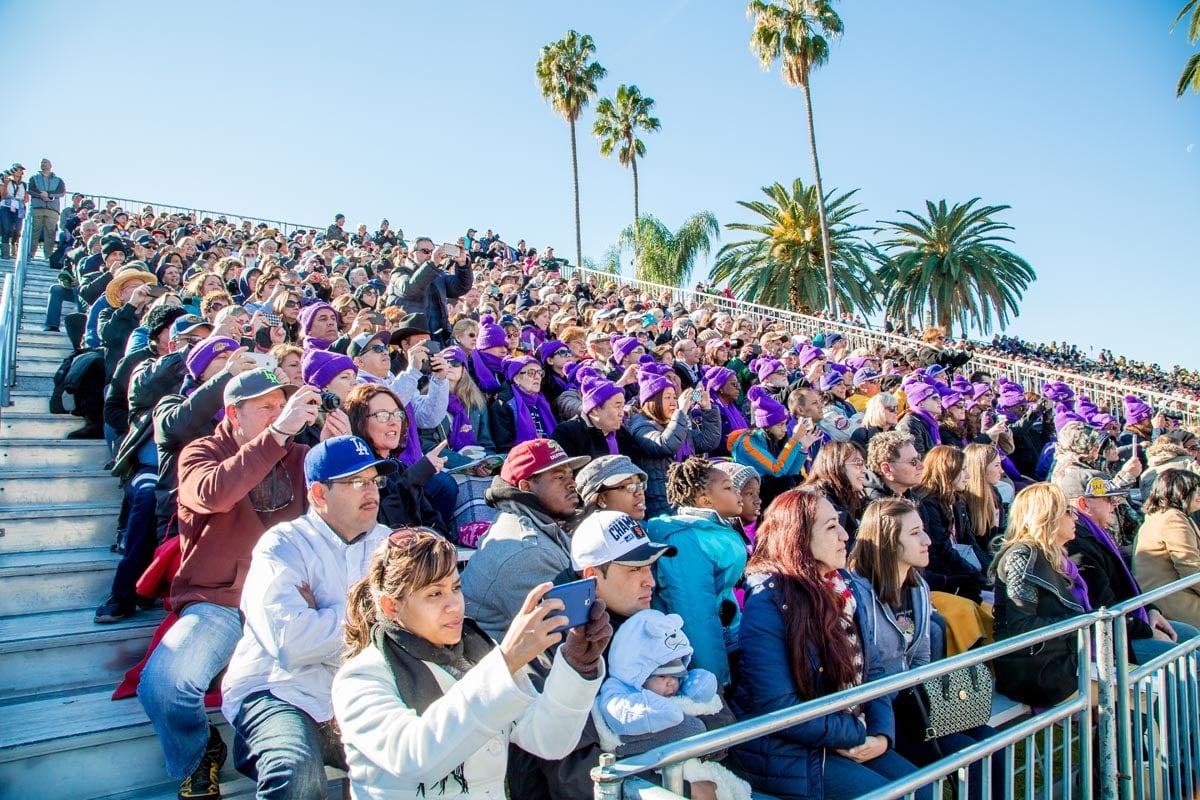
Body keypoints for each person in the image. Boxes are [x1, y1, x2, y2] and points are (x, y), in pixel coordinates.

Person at [137, 371, 315, 800]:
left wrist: (341, 451)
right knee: (165, 681)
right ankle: (198, 751)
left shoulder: (301, 453)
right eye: (267, 407)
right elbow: (215, 495)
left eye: (283, 405)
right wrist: (277, 434)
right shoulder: (201, 451)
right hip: (221, 601)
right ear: (234, 414)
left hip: (286, 602)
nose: (281, 414)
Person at [332, 529, 611, 799]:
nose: (454, 604)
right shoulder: (359, 678)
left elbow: (548, 741)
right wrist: (507, 659)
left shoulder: (479, 653)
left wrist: (577, 664)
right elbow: (416, 757)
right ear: (392, 607)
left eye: (456, 587)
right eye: (434, 594)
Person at [220, 436, 397, 799]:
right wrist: (374, 615)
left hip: (361, 690)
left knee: (416, 758)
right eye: (356, 482)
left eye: (375, 481)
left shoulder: (389, 544)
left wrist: (324, 615)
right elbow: (292, 644)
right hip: (279, 691)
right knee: (297, 774)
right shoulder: (283, 545)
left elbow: (414, 626)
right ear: (319, 494)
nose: (372, 492)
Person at [729, 488, 926, 800]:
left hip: (843, 732)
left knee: (923, 787)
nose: (845, 535)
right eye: (831, 526)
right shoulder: (768, 601)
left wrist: (881, 735)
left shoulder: (844, 587)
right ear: (799, 536)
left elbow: (873, 670)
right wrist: (855, 733)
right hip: (785, 751)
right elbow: (779, 708)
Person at [849, 498, 1000, 793]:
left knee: (994, 743)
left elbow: (921, 658)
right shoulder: (858, 595)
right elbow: (862, 669)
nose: (927, 540)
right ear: (890, 542)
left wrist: (924, 702)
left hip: (915, 704)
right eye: (915, 533)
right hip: (881, 712)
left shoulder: (918, 587)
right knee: (969, 756)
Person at [596, 609, 751, 800]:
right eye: (661, 676)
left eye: (676, 675)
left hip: (701, 773)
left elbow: (720, 721)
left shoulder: (683, 691)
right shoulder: (621, 695)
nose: (671, 683)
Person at [1058, 468, 1198, 664]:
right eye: (1108, 500)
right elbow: (1103, 608)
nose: (1115, 505)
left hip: (1130, 622)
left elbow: (1125, 584)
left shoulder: (1096, 534)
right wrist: (1148, 630)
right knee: (1193, 661)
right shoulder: (1076, 544)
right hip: (1112, 640)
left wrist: (1151, 610)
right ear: (1084, 504)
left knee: (1191, 635)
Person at [462, 439, 590, 639]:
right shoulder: (529, 551)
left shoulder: (532, 524)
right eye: (559, 477)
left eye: (570, 475)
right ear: (526, 486)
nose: (572, 484)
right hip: (507, 666)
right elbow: (569, 635)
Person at [644, 458, 750, 687]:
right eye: (728, 488)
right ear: (705, 500)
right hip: (712, 653)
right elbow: (695, 614)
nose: (737, 492)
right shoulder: (685, 539)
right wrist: (715, 680)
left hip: (729, 636)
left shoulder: (713, 528)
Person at [990, 483, 1090, 707]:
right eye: (1068, 511)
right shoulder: (1023, 556)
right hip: (1038, 673)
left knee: (1136, 689)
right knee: (1134, 693)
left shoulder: (1050, 557)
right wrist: (1078, 623)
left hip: (1061, 662)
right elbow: (1022, 627)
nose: (1075, 518)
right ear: (1048, 516)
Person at [343, 384, 450, 534]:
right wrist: (414, 477)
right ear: (360, 422)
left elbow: (434, 525)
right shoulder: (357, 473)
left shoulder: (398, 467)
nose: (394, 421)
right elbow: (383, 526)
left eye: (398, 414)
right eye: (382, 415)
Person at [627, 370, 722, 518]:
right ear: (653, 401)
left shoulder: (675, 423)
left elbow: (708, 441)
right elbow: (664, 445)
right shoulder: (641, 425)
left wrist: (707, 408)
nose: (673, 402)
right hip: (661, 505)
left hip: (685, 498)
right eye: (667, 397)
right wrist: (682, 411)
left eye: (674, 397)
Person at [914, 446, 991, 604]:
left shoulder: (956, 501)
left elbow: (970, 542)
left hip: (961, 568)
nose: (967, 476)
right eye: (962, 470)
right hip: (944, 578)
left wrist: (990, 572)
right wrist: (977, 579)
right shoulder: (928, 504)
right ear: (947, 471)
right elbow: (941, 550)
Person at [730, 386, 821, 512]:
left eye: (785, 424)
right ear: (766, 427)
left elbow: (791, 472)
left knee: (798, 480)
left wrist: (803, 448)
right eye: (780, 425)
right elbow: (777, 470)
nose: (784, 429)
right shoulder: (747, 443)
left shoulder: (777, 438)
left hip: (769, 485)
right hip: (749, 492)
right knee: (783, 483)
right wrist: (794, 440)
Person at [1135, 470, 1200, 629]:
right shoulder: (1173, 518)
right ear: (1179, 491)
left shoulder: (1161, 516)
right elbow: (1190, 568)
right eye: (1195, 489)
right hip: (1175, 603)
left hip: (1164, 600)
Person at [388, 236, 473, 345]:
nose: (430, 255)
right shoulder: (399, 273)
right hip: (412, 338)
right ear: (411, 254)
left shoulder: (438, 274)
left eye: (432, 251)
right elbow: (410, 289)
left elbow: (461, 287)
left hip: (439, 338)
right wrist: (432, 264)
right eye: (425, 251)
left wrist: (463, 264)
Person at [804, 440, 868, 548]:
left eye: (864, 464)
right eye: (858, 463)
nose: (865, 470)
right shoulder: (818, 502)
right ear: (836, 465)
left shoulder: (841, 498)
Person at [491, 355, 558, 450]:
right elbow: (504, 446)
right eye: (531, 373)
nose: (537, 377)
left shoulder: (543, 401)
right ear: (516, 378)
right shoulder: (503, 405)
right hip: (523, 458)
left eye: (540, 373)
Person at [962, 443, 1007, 553]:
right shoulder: (962, 501)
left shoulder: (995, 494)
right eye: (996, 465)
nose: (1001, 471)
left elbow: (998, 531)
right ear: (980, 468)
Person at [575, 456, 649, 520]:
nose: (639, 492)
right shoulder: (593, 534)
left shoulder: (650, 530)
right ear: (602, 499)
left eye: (640, 484)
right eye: (629, 486)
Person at [864, 431, 924, 503]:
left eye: (919, 458)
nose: (921, 466)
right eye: (913, 462)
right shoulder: (877, 506)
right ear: (887, 469)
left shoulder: (912, 498)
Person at [27, 158, 66, 260]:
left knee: (50, 233)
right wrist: (41, 195)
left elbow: (61, 192)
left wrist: (49, 195)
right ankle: (30, 254)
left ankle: (48, 256)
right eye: (41, 163)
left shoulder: (58, 180)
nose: (43, 164)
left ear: (50, 165)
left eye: (45, 162)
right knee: (34, 232)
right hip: (37, 208)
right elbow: (30, 190)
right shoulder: (34, 178)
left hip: (52, 210)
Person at [896, 382, 942, 458]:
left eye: (939, 398)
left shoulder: (929, 422)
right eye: (935, 398)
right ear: (920, 404)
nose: (940, 401)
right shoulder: (910, 424)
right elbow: (918, 459)